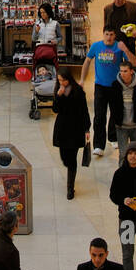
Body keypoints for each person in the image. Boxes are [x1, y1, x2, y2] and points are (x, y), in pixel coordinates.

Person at [79, 26, 135, 157]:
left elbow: (132, 63)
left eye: (111, 34)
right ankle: (98, 145)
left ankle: (113, 137)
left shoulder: (119, 47)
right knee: (99, 116)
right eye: (107, 34)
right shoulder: (96, 46)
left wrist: (125, 49)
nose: (109, 37)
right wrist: (82, 79)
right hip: (100, 86)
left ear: (115, 36)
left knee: (115, 114)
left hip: (116, 86)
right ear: (103, 34)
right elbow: (87, 62)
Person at [52, 67, 90, 199]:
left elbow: (84, 110)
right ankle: (70, 171)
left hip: (76, 128)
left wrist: (87, 129)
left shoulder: (78, 91)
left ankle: (70, 188)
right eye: (59, 80)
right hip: (63, 128)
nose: (61, 82)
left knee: (72, 160)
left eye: (63, 80)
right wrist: (59, 96)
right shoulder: (59, 91)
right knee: (65, 158)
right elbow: (55, 109)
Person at [115, 61, 136, 152]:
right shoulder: (115, 85)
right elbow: (113, 106)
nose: (122, 74)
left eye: (125, 71)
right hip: (122, 127)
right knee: (123, 154)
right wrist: (116, 121)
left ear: (131, 71)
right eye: (121, 71)